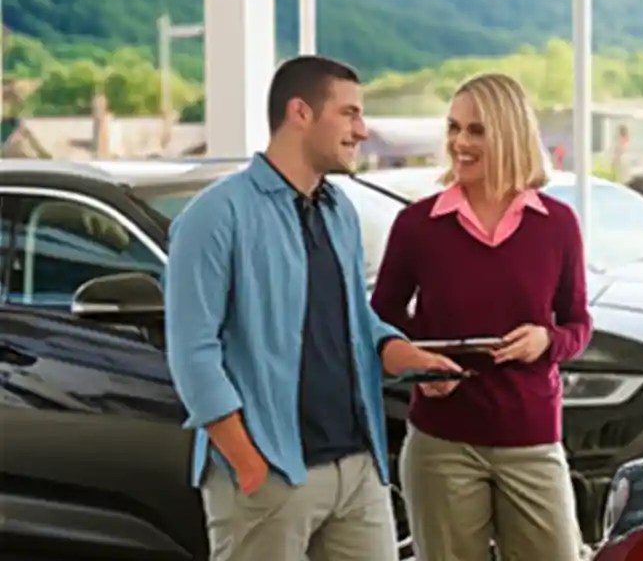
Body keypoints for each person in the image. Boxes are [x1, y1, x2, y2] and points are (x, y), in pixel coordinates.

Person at [165, 55, 464, 561]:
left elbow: (354, 318)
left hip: (357, 470)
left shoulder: (339, 211)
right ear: (300, 112)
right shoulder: (214, 215)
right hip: (269, 473)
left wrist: (398, 352)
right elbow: (193, 353)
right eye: (348, 114)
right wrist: (247, 462)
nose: (362, 131)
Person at [371, 72, 592, 561]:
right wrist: (417, 363)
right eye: (453, 128)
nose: (459, 143)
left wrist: (546, 341)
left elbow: (578, 323)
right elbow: (382, 317)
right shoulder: (418, 225)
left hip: (530, 439)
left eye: (476, 130)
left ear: (510, 134)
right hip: (442, 443)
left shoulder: (556, 226)